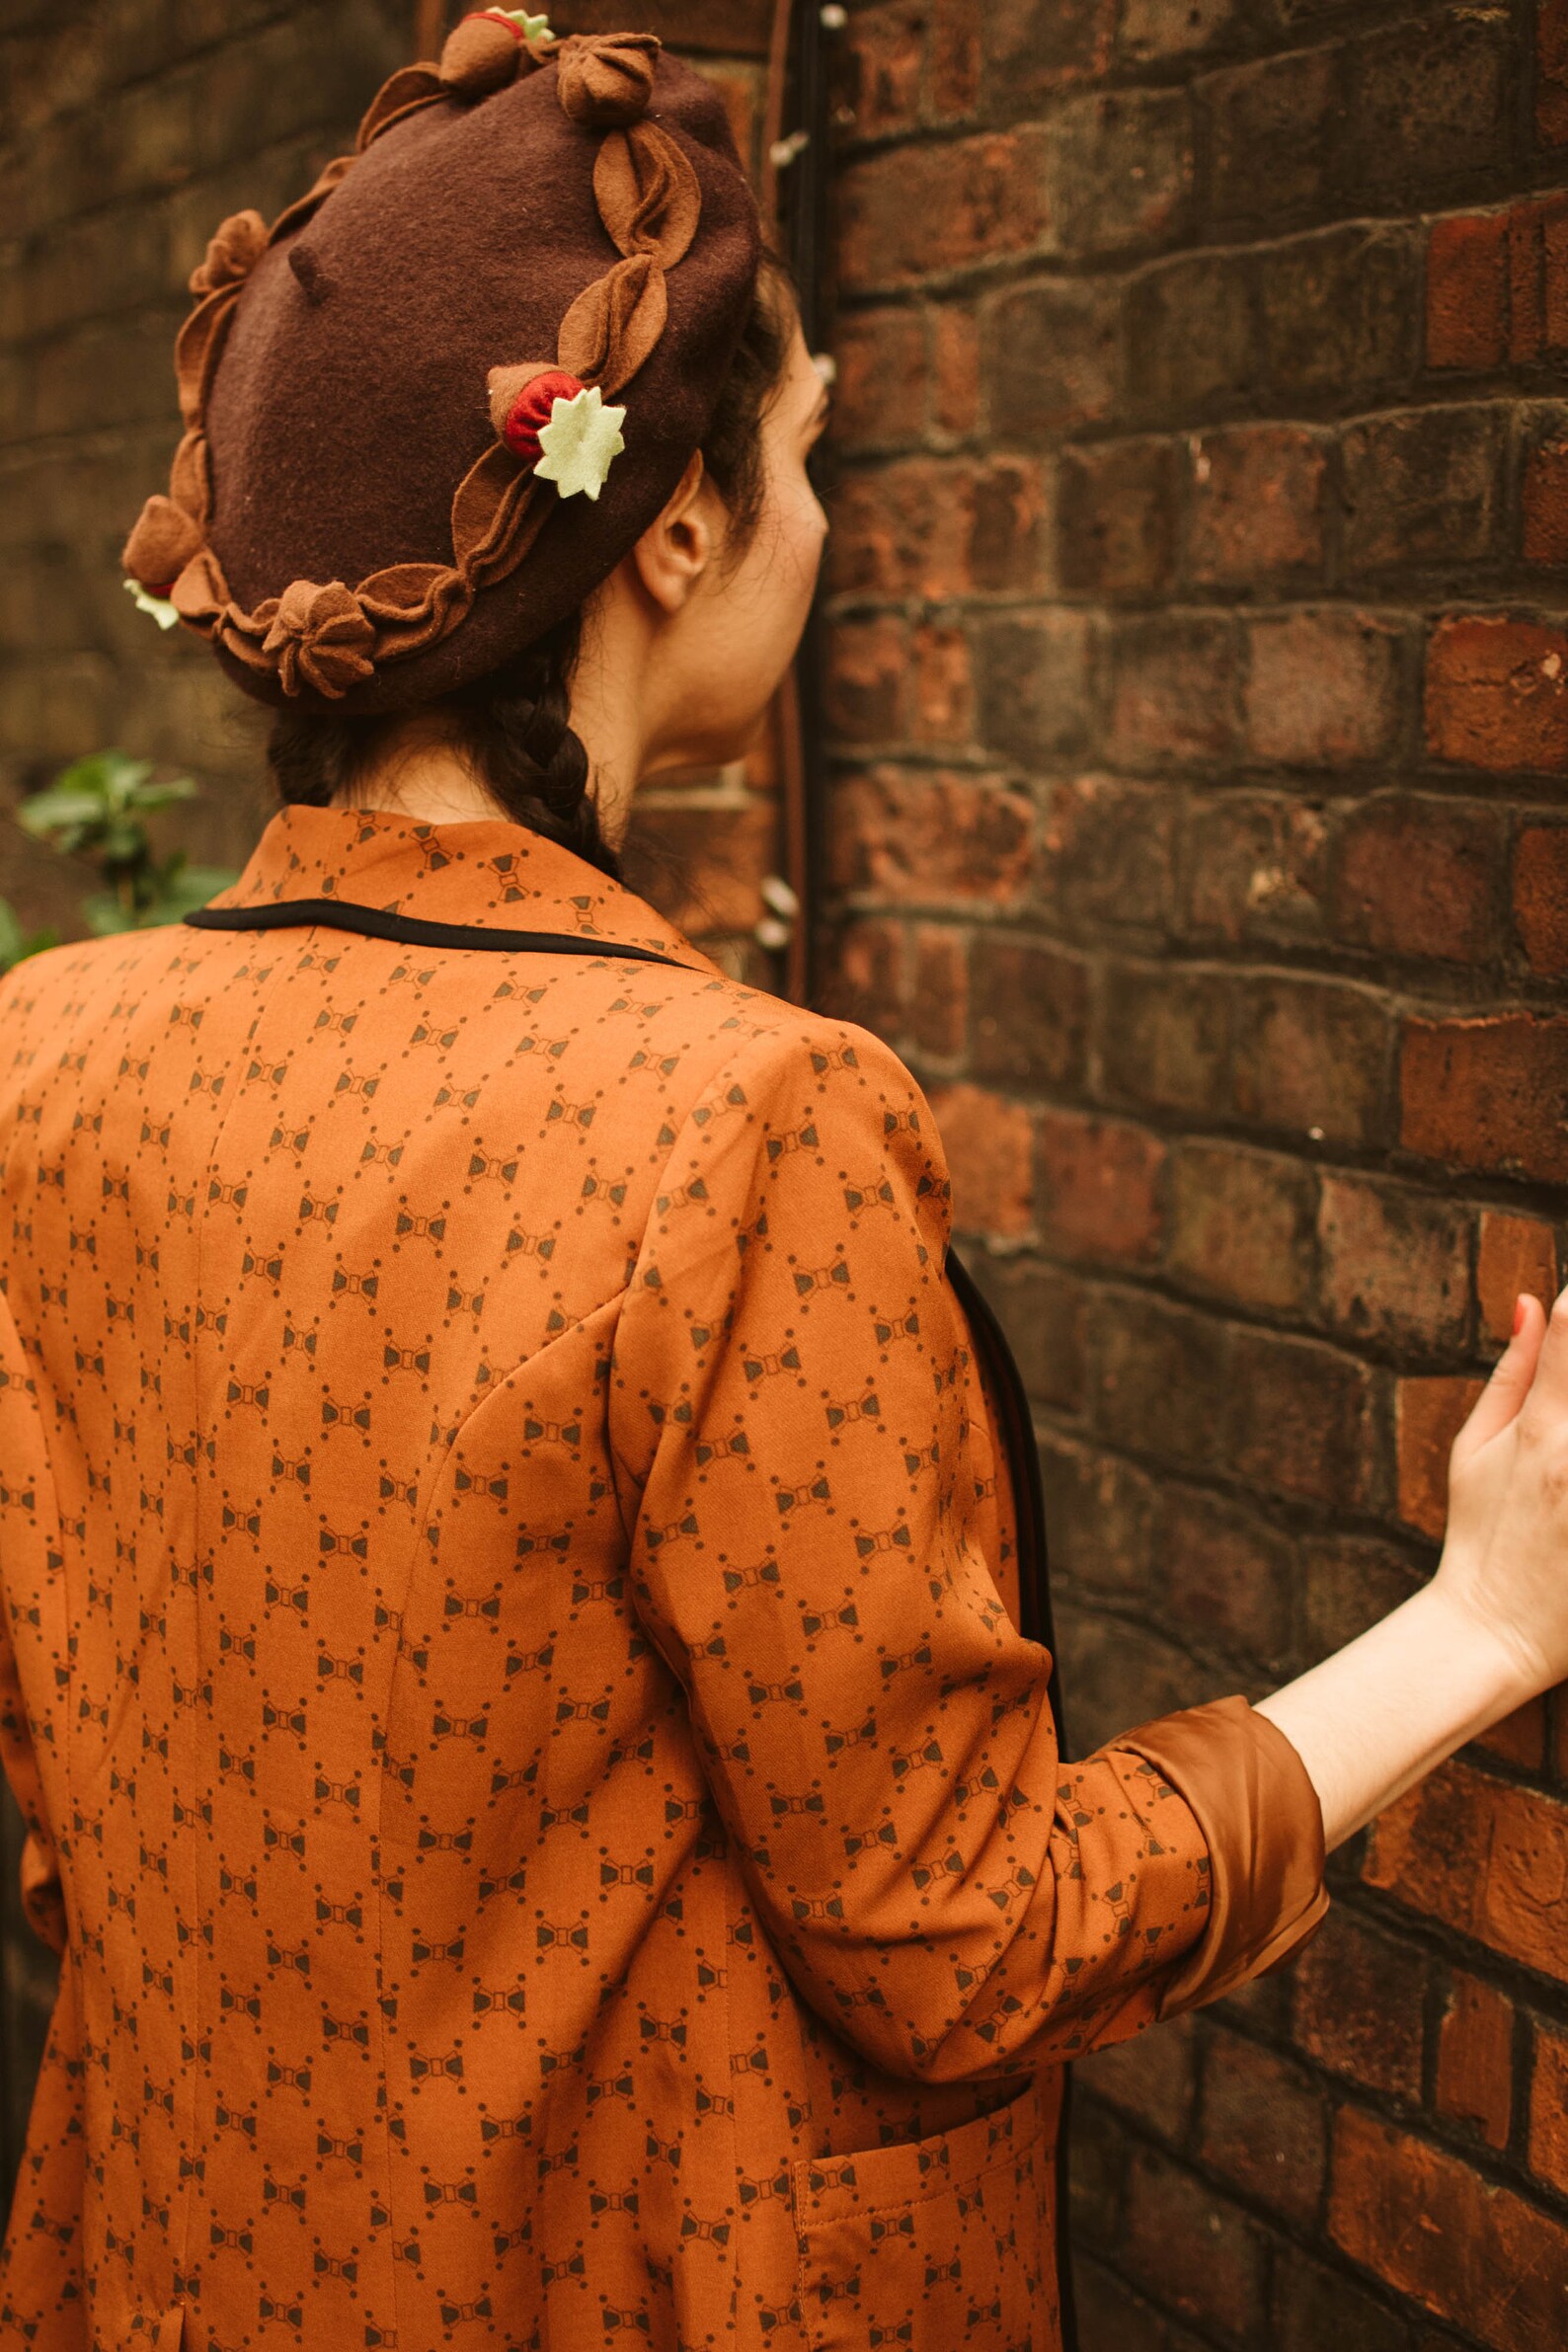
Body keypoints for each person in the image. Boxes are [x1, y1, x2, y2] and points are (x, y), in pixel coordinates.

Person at [1, 17, 1565, 2352]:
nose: (827, 523)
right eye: (813, 454)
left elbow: (76, 1839)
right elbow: (958, 1943)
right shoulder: (745, 1121)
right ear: (689, 518)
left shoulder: (38, 1060)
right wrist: (1478, 1624)